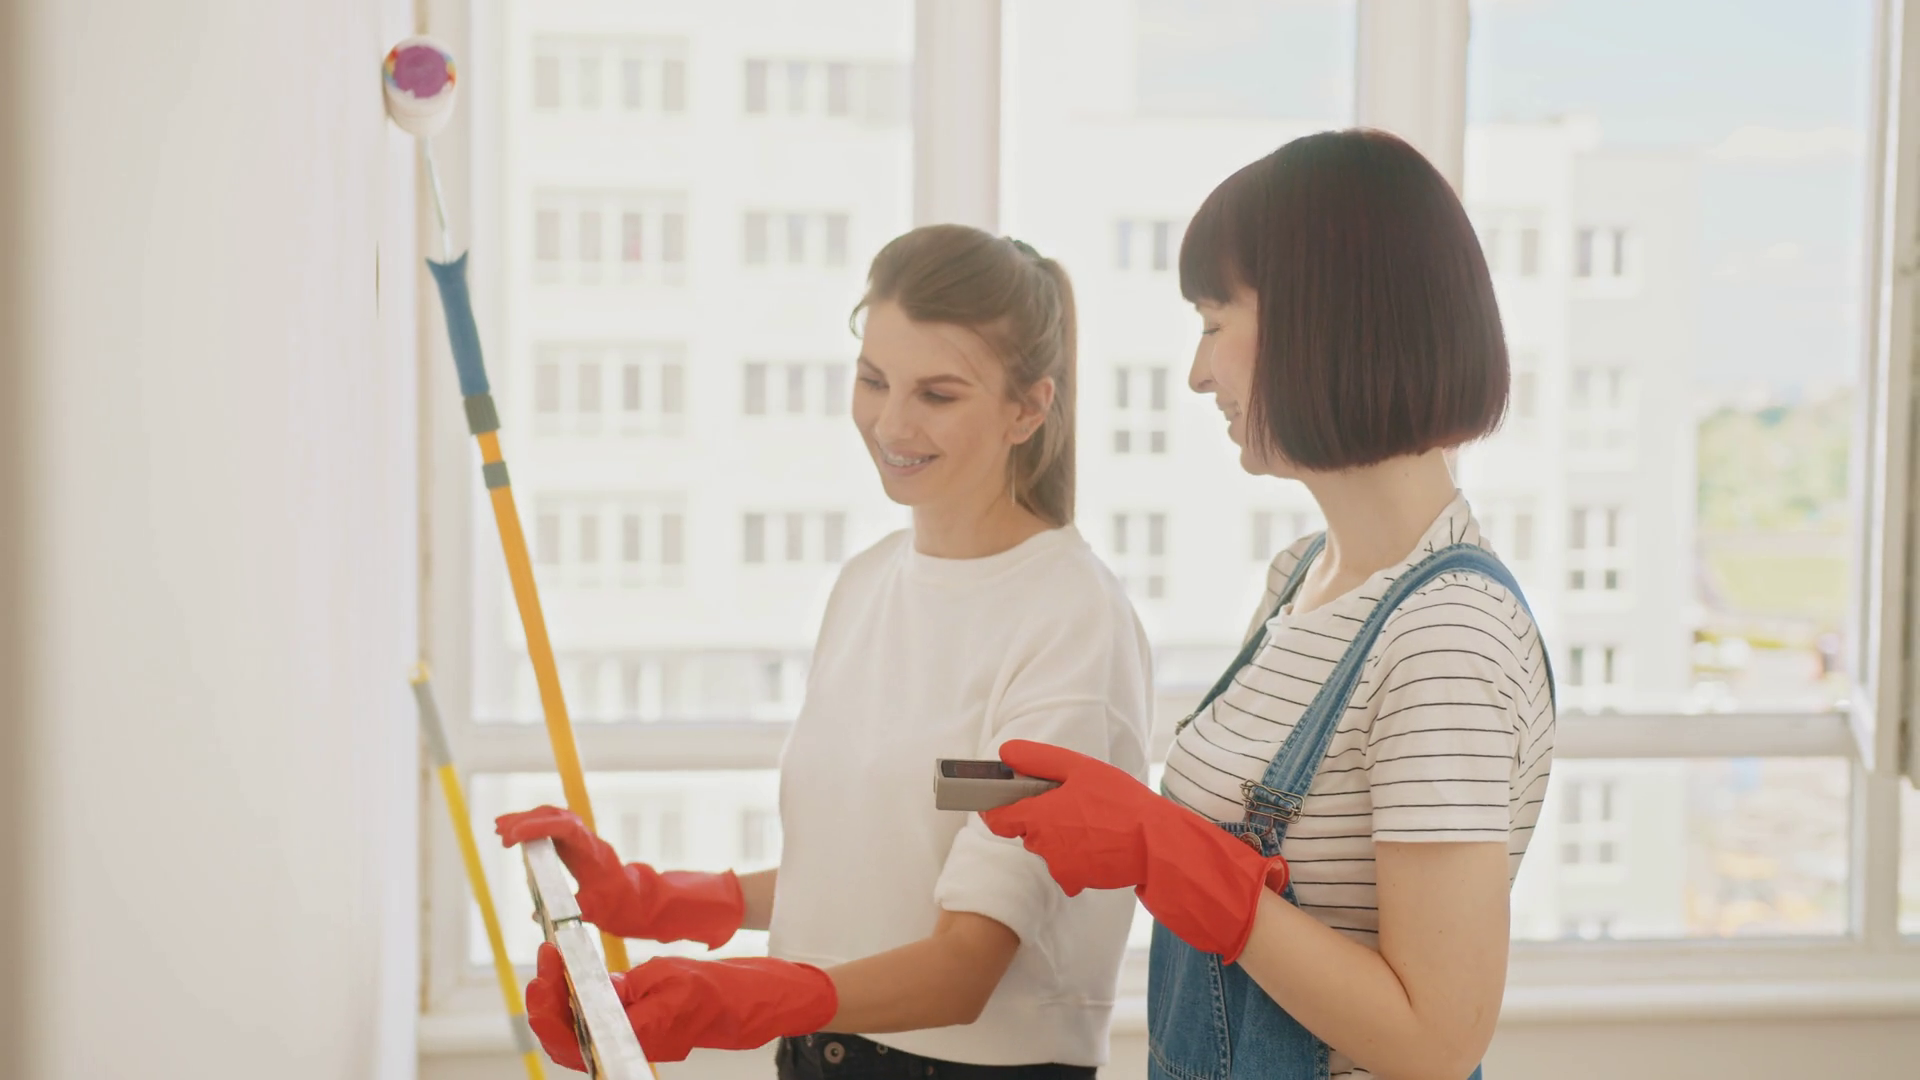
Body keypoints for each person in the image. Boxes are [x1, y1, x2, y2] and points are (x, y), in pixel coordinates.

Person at [496, 224, 1153, 1077]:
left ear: (1028, 408)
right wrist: (649, 900)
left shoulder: (1071, 620)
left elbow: (964, 969)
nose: (891, 422)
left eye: (938, 394)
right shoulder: (867, 582)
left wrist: (733, 997)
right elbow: (870, 876)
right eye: (873, 379)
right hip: (819, 1055)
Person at [982, 130, 1557, 1080]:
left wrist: (1164, 851)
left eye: (1214, 323)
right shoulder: (1301, 576)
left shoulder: (1444, 636)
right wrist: (1141, 832)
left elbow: (1435, 1041)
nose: (1198, 373)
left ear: (1324, 322)